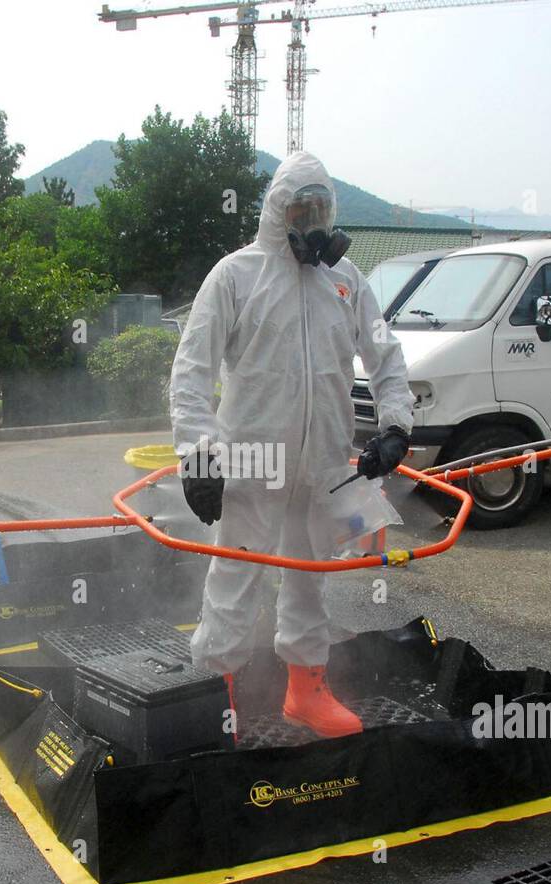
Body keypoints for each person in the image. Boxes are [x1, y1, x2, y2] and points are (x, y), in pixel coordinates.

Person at [170, 152, 414, 738]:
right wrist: (200, 455)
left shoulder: (347, 281)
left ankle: (305, 692)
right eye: (300, 209)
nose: (312, 221)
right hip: (252, 463)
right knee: (236, 580)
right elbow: (191, 372)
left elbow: (386, 358)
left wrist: (395, 426)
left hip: (325, 462)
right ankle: (217, 698)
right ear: (276, 212)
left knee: (310, 577)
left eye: (321, 209)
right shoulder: (236, 276)